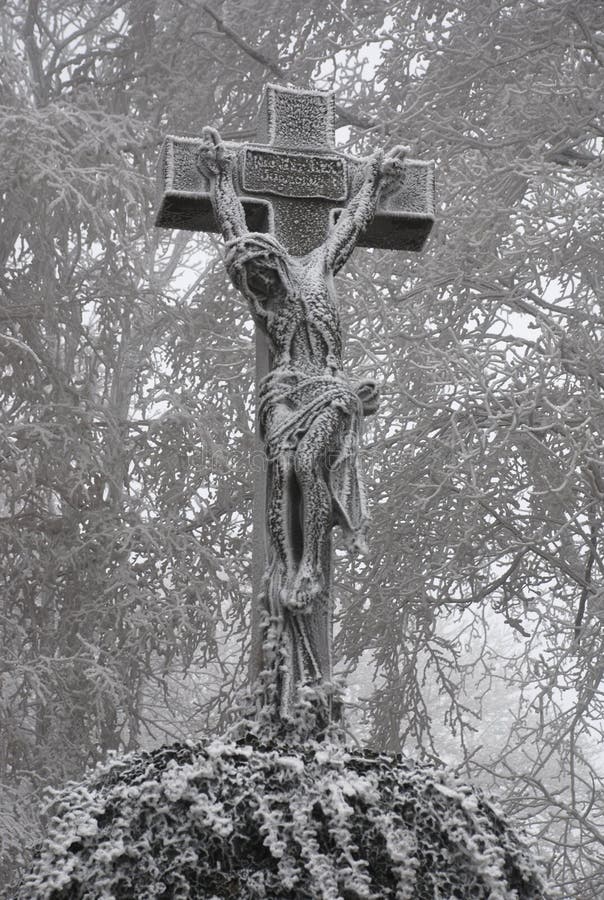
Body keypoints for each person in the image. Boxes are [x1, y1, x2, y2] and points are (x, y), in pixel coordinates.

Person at [197, 127, 406, 715]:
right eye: (249, 284)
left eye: (261, 276)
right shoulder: (266, 299)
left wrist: (375, 182)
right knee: (285, 464)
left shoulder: (315, 269)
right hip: (284, 389)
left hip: (329, 387)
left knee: (311, 461)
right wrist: (216, 181)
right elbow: (233, 228)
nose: (258, 288)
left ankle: (309, 567)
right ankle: (287, 572)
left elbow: (349, 226)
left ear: (274, 262)